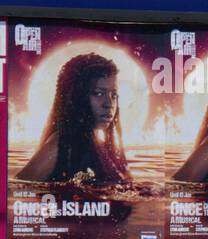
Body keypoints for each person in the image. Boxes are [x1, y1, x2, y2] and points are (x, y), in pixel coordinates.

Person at [16, 52, 132, 184]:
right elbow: (16, 189)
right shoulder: (60, 144)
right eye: (98, 93)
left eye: (114, 95)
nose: (109, 104)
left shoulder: (102, 146)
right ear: (76, 97)